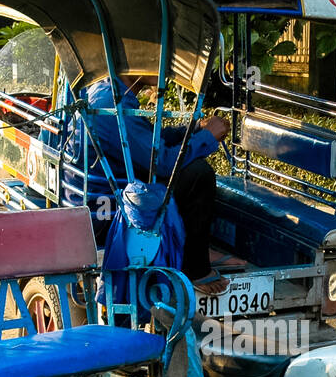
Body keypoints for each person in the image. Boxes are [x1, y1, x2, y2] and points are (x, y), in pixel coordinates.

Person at [71, 75, 231, 295]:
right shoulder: (112, 103)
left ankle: (197, 248)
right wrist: (207, 138)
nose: (163, 69)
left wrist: (192, 130)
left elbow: (148, 139)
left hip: (113, 192)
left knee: (192, 167)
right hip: (112, 209)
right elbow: (163, 163)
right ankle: (195, 270)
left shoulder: (107, 92)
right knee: (198, 174)